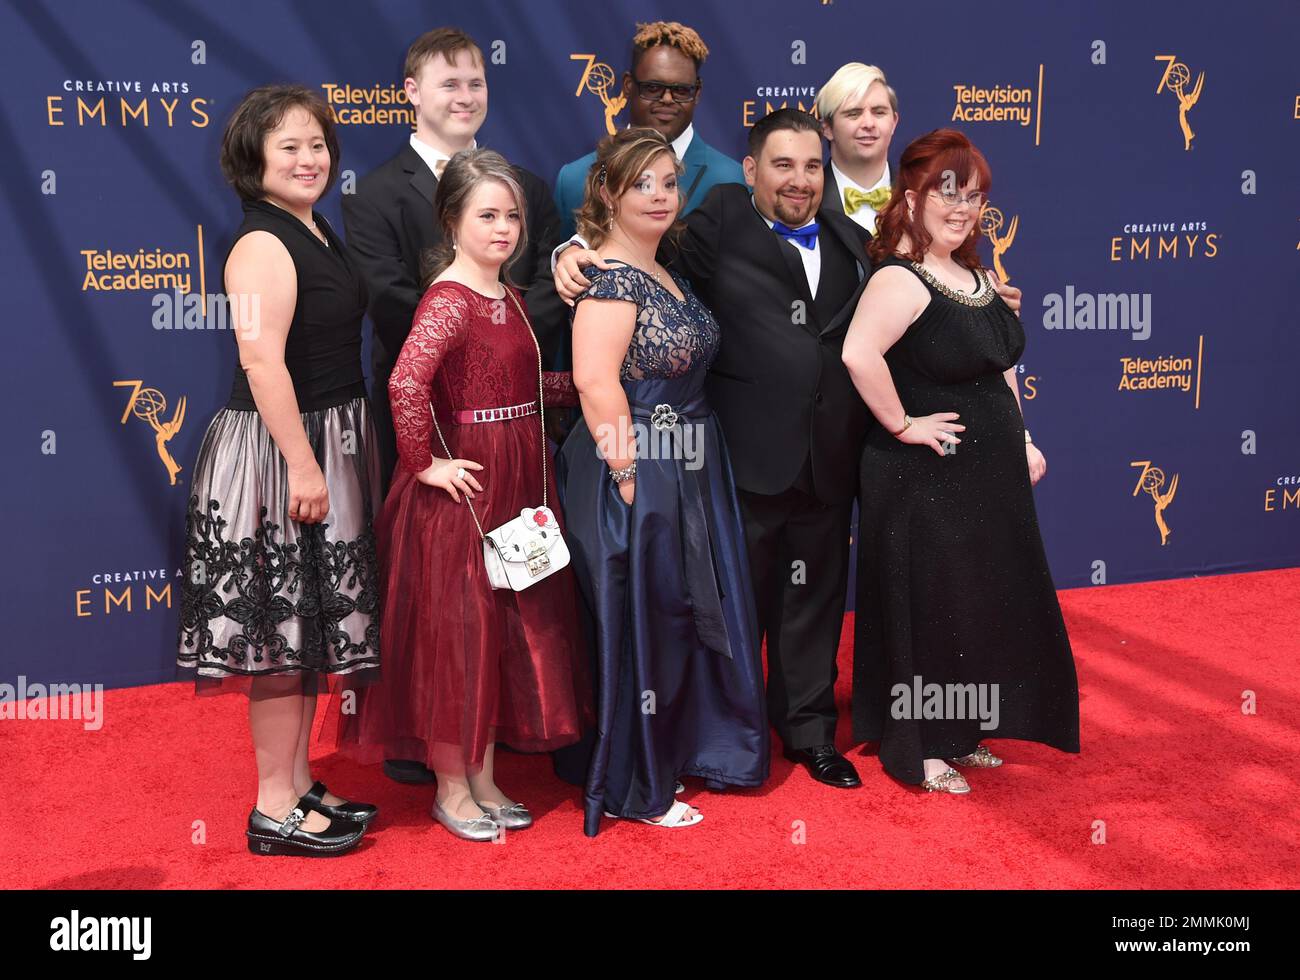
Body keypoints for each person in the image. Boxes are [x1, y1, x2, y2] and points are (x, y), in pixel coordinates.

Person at [555, 110, 1024, 791]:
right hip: (734, 466)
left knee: (814, 609)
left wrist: (980, 303)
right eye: (783, 165)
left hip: (830, 460)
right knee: (729, 610)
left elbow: (918, 289)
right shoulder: (715, 223)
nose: (799, 180)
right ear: (751, 171)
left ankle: (809, 735)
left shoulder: (852, 239)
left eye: (811, 166)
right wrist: (568, 252)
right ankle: (728, 737)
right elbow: (634, 250)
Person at [336, 149, 590, 841]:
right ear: (452, 222)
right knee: (461, 633)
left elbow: (520, 387)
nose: (504, 228)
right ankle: (451, 786)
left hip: (515, 476)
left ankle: (482, 776)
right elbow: (405, 383)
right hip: (465, 488)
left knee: (501, 630)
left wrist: (589, 391)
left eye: (512, 216)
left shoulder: (505, 295)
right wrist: (424, 464)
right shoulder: (448, 298)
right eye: (487, 215)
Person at [840, 129, 1080, 793]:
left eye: (973, 196)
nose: (961, 207)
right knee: (932, 605)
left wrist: (1023, 440)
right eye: (947, 192)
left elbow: (1001, 372)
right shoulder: (899, 278)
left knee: (975, 602)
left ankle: (962, 729)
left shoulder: (977, 278)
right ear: (910, 199)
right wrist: (903, 423)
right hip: (924, 478)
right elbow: (859, 355)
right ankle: (918, 746)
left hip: (986, 475)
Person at [176, 85, 380, 857]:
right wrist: (303, 465)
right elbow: (262, 364)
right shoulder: (262, 243)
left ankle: (296, 784)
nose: (309, 159)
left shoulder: (313, 226)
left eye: (318, 145)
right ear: (252, 159)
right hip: (276, 454)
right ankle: (271, 808)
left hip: (324, 439)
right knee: (276, 641)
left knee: (302, 634)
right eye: (289, 146)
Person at [559, 128, 767, 835]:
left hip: (693, 462)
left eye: (669, 182)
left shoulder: (665, 266)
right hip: (640, 464)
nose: (659, 195)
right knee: (647, 616)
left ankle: (692, 750)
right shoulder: (609, 278)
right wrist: (626, 472)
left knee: (684, 609)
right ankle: (635, 782)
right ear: (608, 193)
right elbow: (594, 380)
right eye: (641, 183)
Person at [553, 21, 744, 240]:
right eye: (653, 88)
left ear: (697, 92)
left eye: (681, 90)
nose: (667, 99)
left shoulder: (732, 180)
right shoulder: (575, 179)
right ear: (627, 85)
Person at [817, 63, 900, 235]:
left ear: (894, 122)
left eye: (879, 112)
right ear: (827, 128)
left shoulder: (920, 198)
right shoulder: (807, 201)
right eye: (853, 114)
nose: (868, 124)